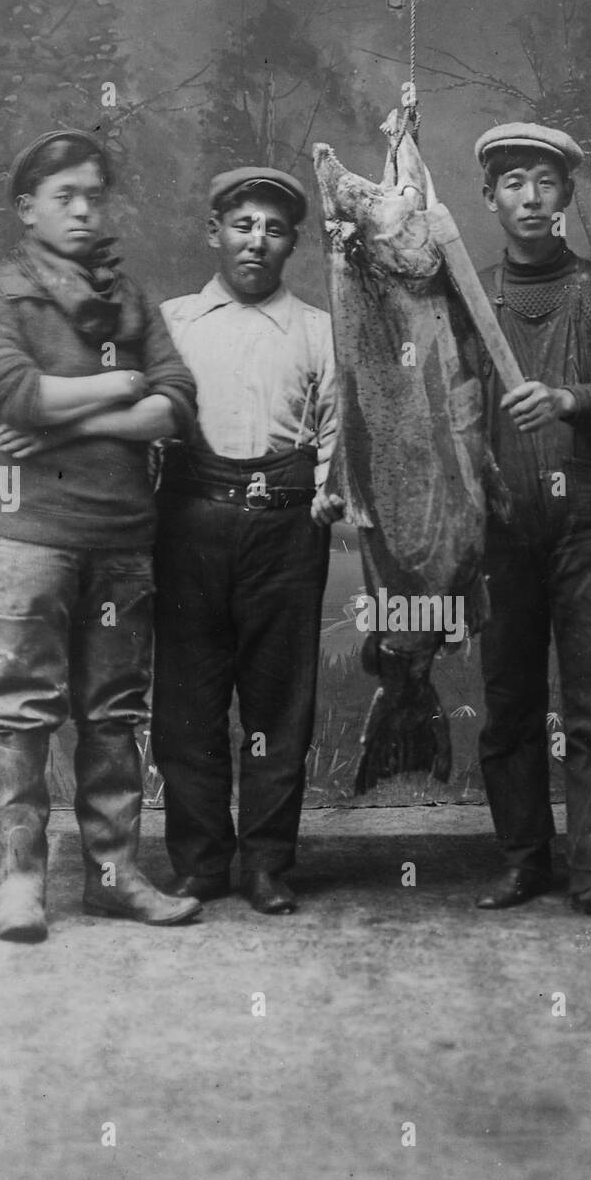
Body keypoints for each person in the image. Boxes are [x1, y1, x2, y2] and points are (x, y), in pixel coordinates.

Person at [0, 129, 203, 941]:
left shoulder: (130, 299)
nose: (81, 209)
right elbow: (13, 395)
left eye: (93, 194)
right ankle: (21, 883)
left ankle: (114, 877)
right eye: (63, 196)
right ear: (27, 209)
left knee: (113, 713)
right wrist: (118, 387)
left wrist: (75, 417)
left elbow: (176, 402)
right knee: (21, 715)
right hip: (28, 538)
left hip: (124, 537)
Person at [473, 123, 591, 927]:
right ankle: (521, 861)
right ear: (488, 199)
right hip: (502, 523)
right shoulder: (468, 296)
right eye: (512, 182)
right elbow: (443, 406)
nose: (530, 197)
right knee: (508, 701)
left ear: (567, 195)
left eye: (544, 181)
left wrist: (566, 399)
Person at [152, 168, 341, 917]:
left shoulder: (318, 330)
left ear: (291, 241)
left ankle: (266, 864)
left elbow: (333, 430)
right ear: (214, 232)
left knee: (278, 702)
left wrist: (329, 488)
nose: (256, 240)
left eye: (272, 228)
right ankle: (200, 863)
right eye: (242, 224)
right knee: (188, 704)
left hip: (285, 529)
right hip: (190, 521)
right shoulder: (172, 323)